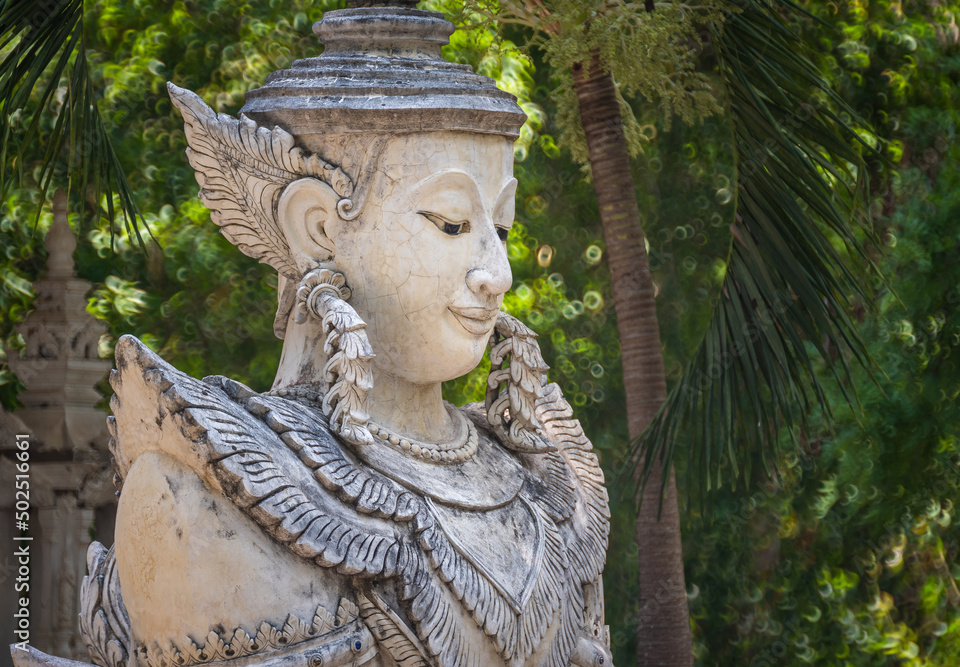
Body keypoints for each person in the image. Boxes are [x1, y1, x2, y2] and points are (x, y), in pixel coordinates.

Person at [68, 4, 615, 667]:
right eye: (449, 222)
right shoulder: (208, 485)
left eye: (498, 228)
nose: (496, 274)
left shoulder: (542, 484)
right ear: (319, 228)